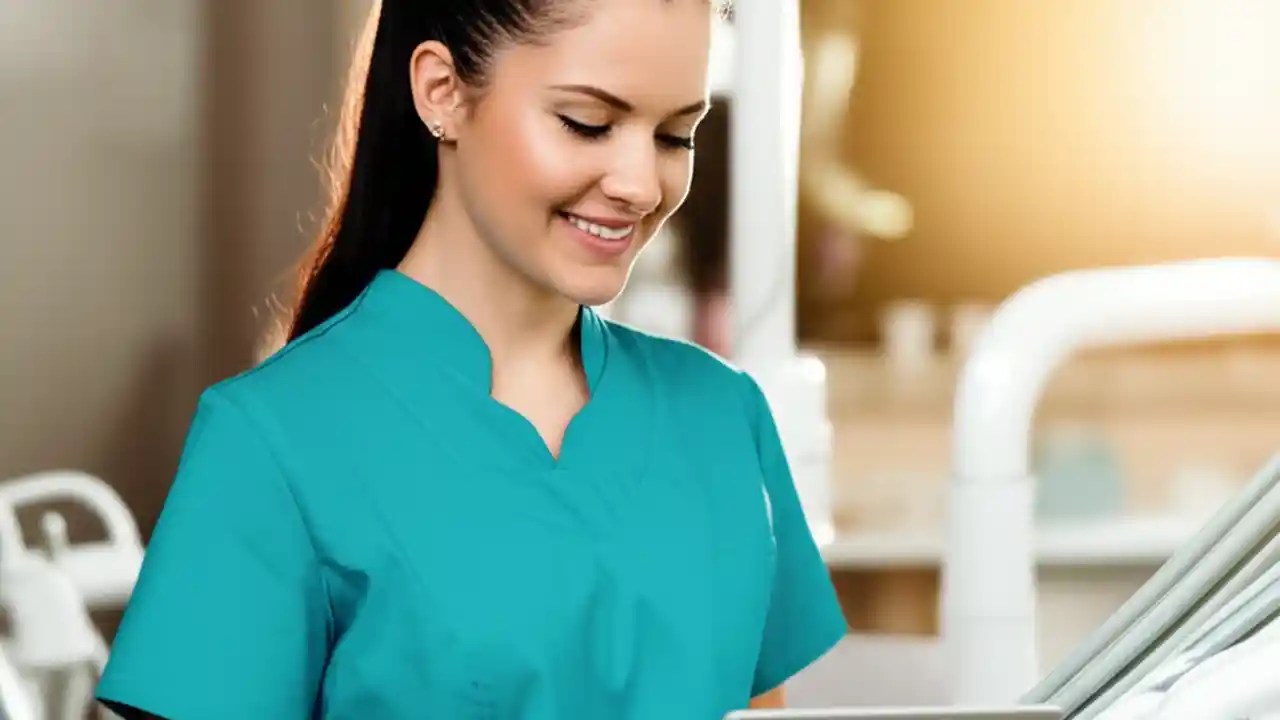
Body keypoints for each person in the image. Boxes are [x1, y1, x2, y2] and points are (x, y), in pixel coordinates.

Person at [95, 0, 846, 717]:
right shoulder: (270, 442)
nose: (640, 185)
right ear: (442, 91)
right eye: (587, 124)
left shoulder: (722, 418)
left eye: (674, 136)